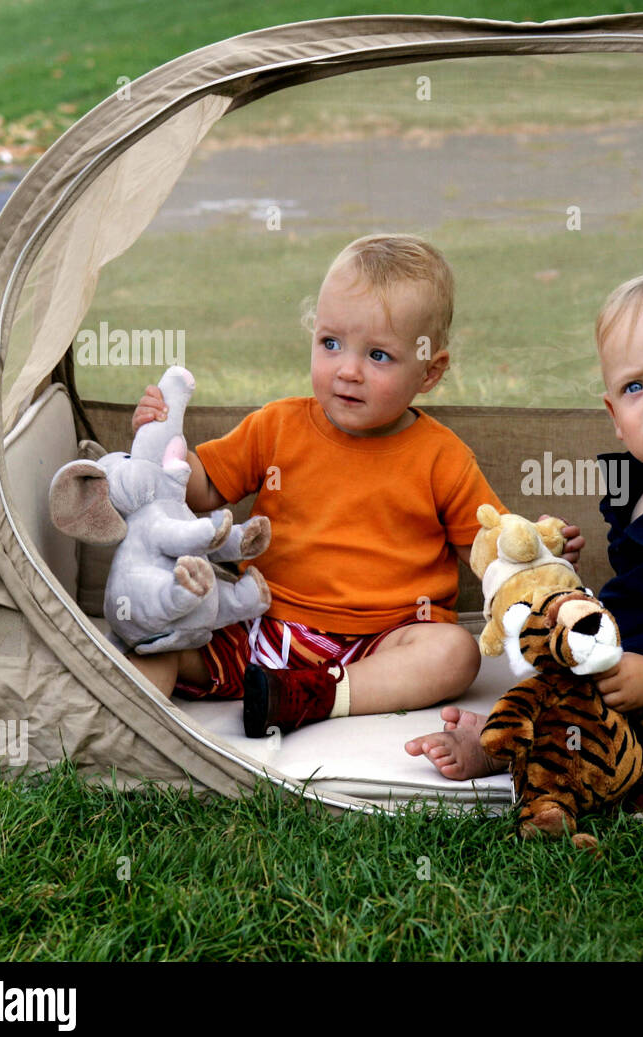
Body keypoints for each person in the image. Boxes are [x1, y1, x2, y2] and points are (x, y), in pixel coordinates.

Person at [127, 233, 580, 737]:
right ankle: (121, 728)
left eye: (378, 356)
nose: (347, 371)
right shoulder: (277, 426)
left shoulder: (441, 457)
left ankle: (316, 696)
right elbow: (204, 488)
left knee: (453, 653)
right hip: (260, 622)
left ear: (429, 372)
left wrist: (537, 553)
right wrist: (162, 439)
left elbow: (487, 547)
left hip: (384, 642)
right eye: (331, 343)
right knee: (163, 641)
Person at [406, 266, 643, 779]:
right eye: (635, 387)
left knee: (587, 725)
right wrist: (560, 564)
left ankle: (504, 748)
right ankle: (517, 723)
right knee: (552, 652)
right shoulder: (641, 484)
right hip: (626, 654)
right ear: (614, 414)